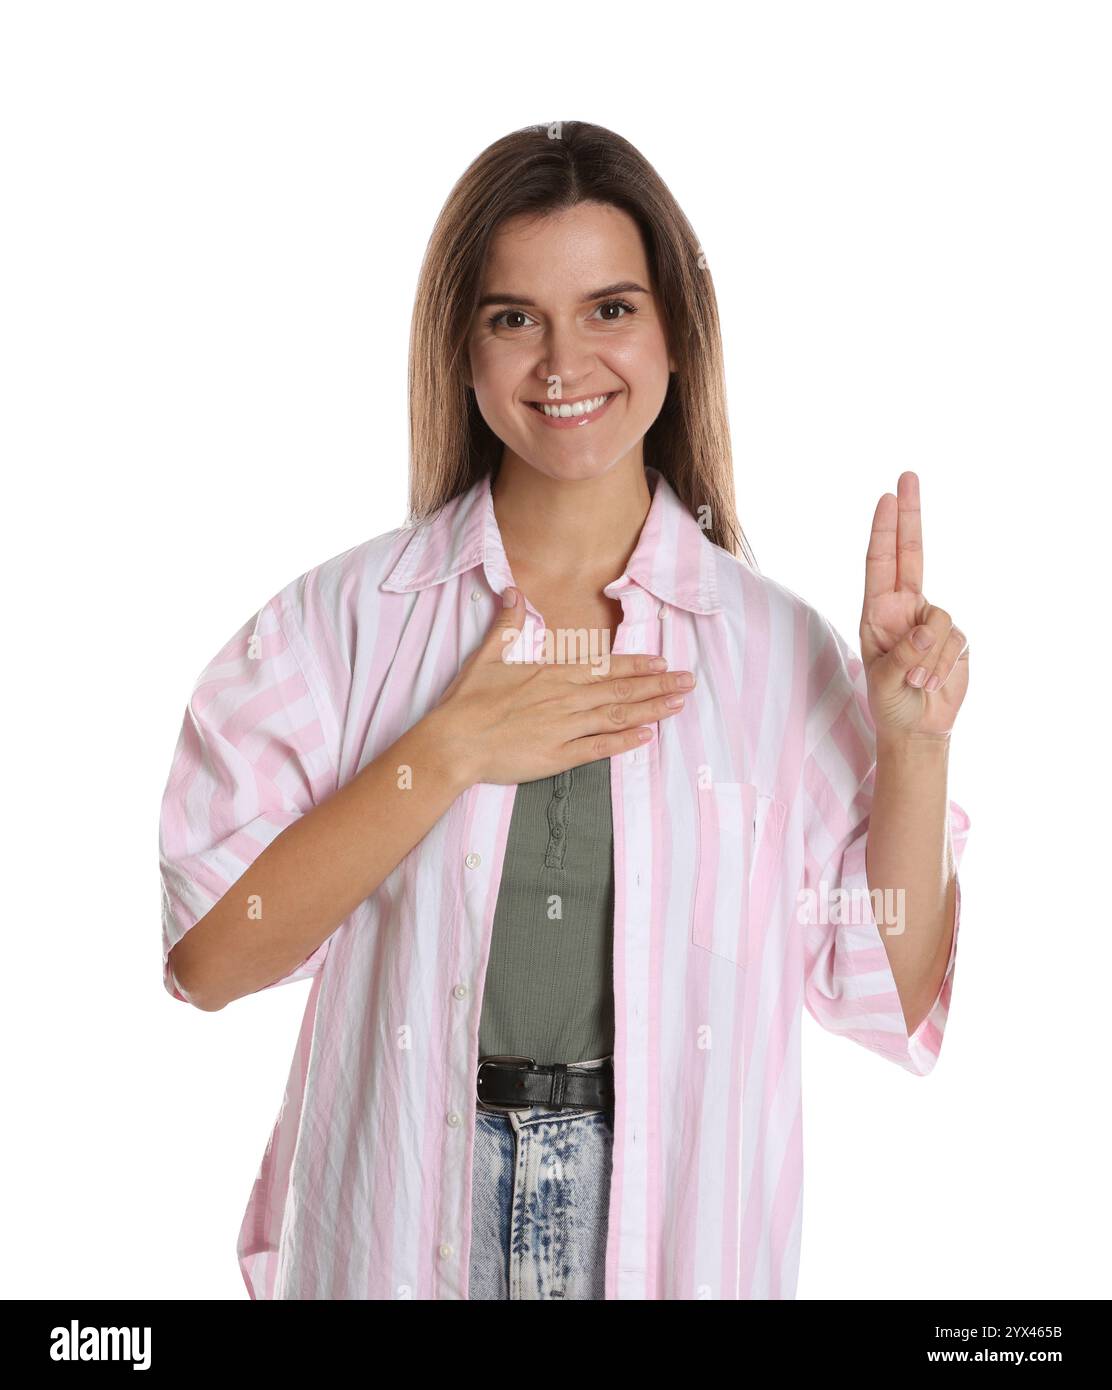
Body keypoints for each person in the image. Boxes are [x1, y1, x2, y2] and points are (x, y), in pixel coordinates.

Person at [159, 120, 971, 1301]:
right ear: (463, 347)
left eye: (608, 310)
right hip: (405, 1222)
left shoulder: (770, 651)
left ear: (674, 338)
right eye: (511, 317)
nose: (559, 362)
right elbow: (211, 957)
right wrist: (439, 754)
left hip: (667, 1230)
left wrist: (911, 746)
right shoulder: (342, 625)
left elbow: (885, 987)